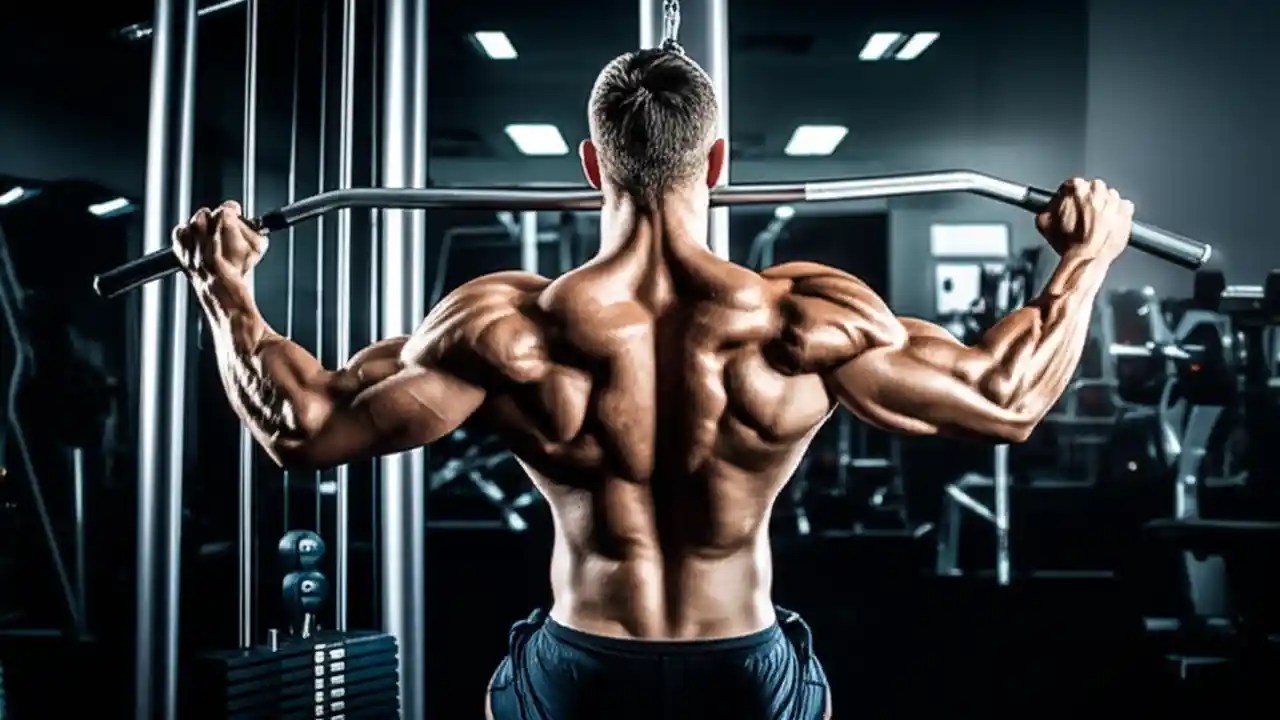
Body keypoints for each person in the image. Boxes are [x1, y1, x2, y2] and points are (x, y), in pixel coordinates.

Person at [172, 48, 1134, 720]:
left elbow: (302, 428)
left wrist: (227, 294)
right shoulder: (806, 319)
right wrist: (1085, 260)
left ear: (591, 164)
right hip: (746, 665)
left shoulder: (509, 327)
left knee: (512, 688)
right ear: (718, 163)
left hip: (582, 661)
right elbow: (1008, 399)